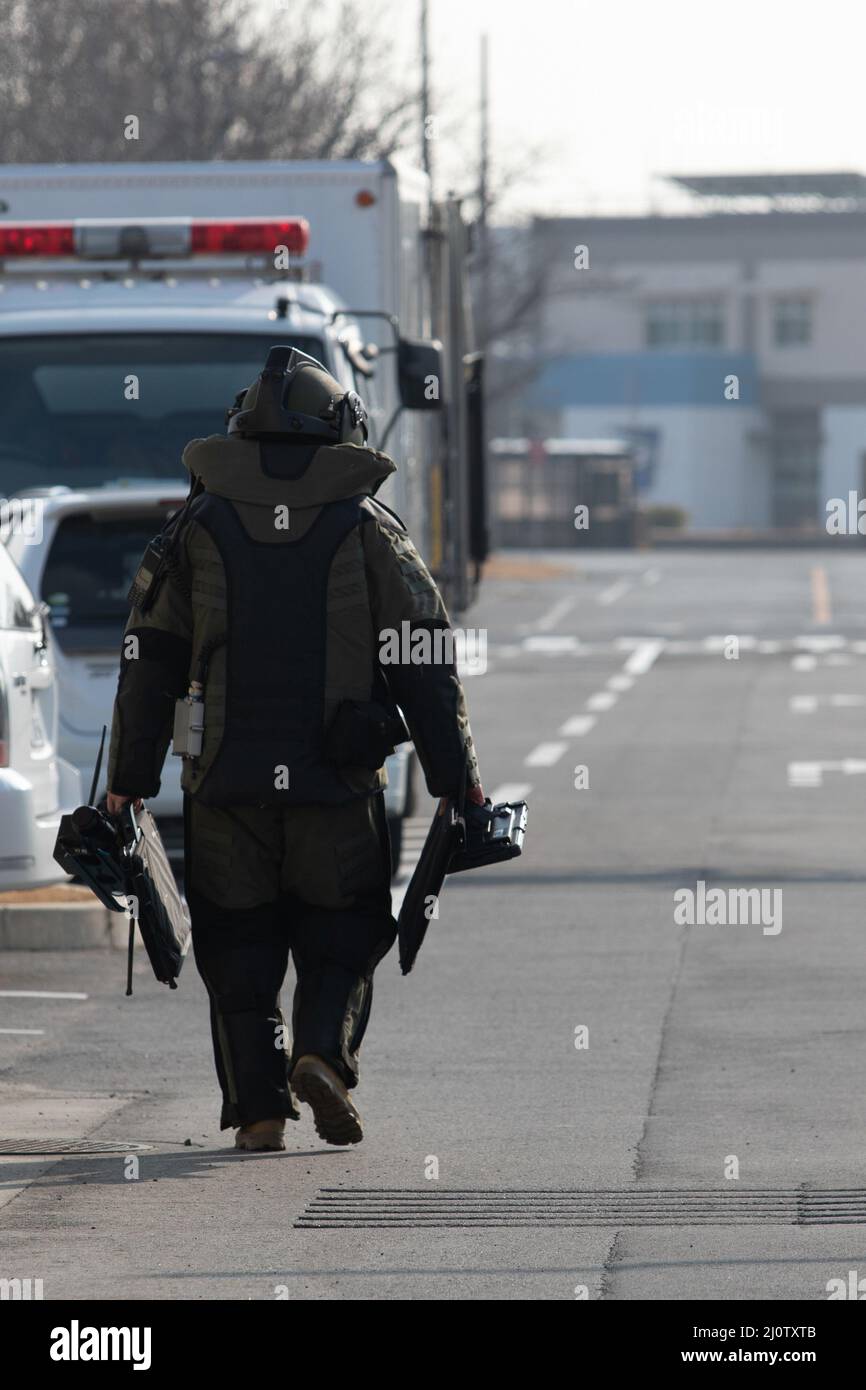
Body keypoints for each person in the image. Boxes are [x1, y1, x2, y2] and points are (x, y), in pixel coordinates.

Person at [106, 346, 482, 1150]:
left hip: (222, 788)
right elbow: (425, 659)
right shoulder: (368, 527)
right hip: (337, 787)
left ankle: (260, 1112)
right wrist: (459, 782)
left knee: (238, 948)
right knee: (341, 934)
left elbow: (147, 659)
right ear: (341, 434)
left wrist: (127, 784)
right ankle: (321, 1051)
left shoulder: (193, 529)